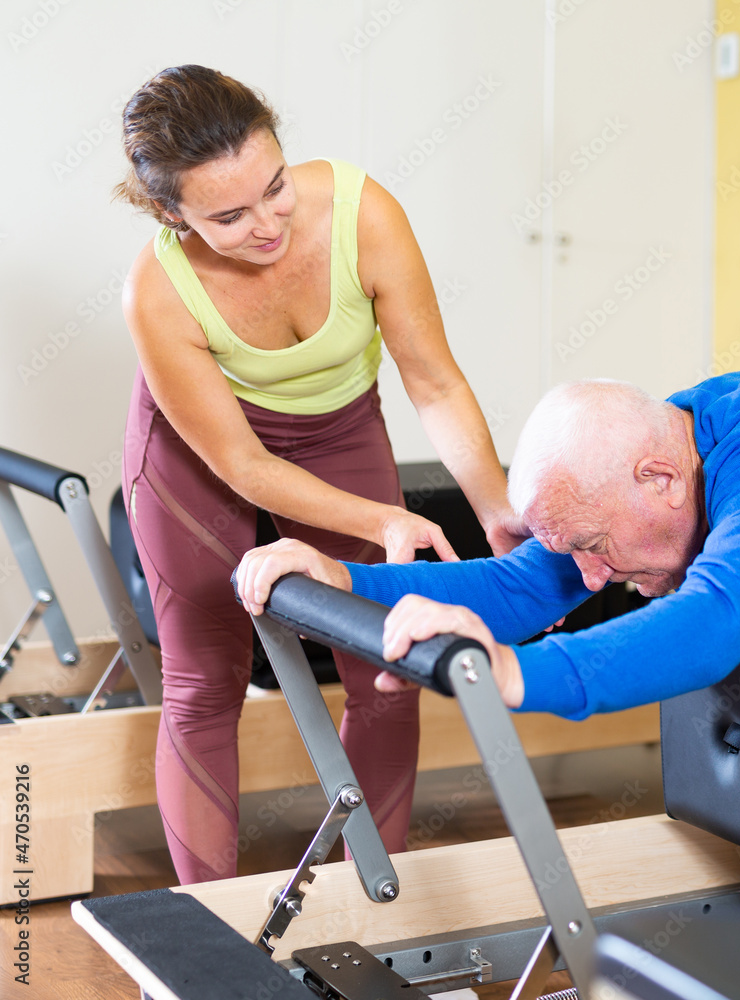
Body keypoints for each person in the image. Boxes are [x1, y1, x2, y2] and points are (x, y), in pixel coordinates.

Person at [115, 65, 523, 883]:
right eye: (228, 215)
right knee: (202, 684)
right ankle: (213, 932)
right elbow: (241, 464)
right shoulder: (158, 291)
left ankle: (375, 899)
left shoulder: (363, 215)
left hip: (338, 429)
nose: (267, 224)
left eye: (274, 188)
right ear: (172, 213)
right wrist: (381, 520)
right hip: (197, 459)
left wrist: (496, 510)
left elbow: (433, 380)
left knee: (387, 670)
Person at [237, 357, 740, 719]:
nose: (586, 575)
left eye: (588, 541)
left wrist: (512, 674)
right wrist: (342, 579)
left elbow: (714, 622)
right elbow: (519, 584)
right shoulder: (673, 444)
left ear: (659, 481)